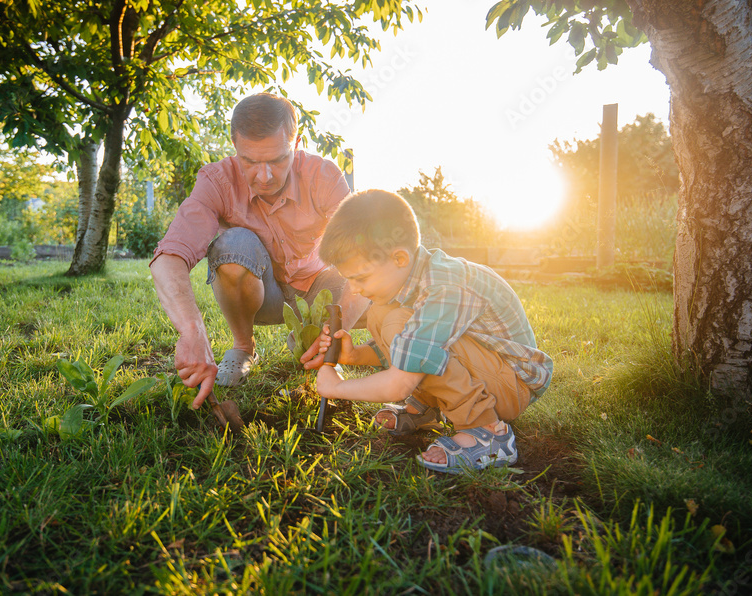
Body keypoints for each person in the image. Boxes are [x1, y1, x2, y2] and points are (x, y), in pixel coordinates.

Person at [149, 92, 367, 410]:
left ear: (297, 141)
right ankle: (243, 347)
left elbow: (365, 256)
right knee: (233, 244)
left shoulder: (324, 176)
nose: (263, 177)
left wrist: (332, 337)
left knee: (380, 283)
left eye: (278, 160)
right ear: (235, 144)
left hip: (319, 289)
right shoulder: (216, 180)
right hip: (265, 296)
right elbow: (169, 258)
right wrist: (191, 330)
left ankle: (311, 339)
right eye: (249, 161)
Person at [311, 189, 553, 473]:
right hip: (487, 372)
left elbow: (398, 382)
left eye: (360, 277)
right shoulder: (410, 281)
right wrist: (355, 356)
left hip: (512, 385)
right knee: (382, 313)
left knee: (393, 321)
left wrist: (338, 388)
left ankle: (487, 431)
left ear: (400, 258)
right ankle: (427, 407)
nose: (353, 289)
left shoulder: (443, 286)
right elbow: (406, 345)